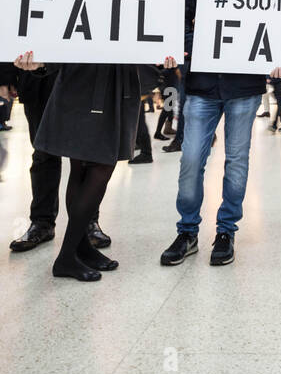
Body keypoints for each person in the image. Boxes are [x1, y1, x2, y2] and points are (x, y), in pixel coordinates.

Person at [161, 0, 276, 267]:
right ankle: (188, 231)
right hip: (202, 84)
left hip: (244, 85)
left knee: (237, 161)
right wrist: (186, 45)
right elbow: (180, 13)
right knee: (192, 158)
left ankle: (226, 231)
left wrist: (278, 56)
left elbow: (277, 23)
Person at [12, 47, 176, 279]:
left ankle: (81, 248)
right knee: (95, 167)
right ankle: (67, 256)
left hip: (107, 77)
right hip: (84, 75)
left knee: (85, 168)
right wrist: (44, 58)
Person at [4, 0, 111, 253]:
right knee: (45, 154)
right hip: (39, 79)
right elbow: (15, 18)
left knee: (85, 156)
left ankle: (86, 221)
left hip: (81, 81)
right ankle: (42, 222)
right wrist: (5, 75)